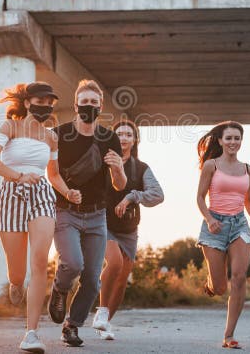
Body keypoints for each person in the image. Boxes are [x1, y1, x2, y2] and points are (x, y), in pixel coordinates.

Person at [0, 81, 77, 353]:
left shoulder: (51, 137)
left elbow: (54, 174)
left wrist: (68, 192)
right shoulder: (9, 127)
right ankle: (14, 282)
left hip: (42, 196)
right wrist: (19, 175)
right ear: (27, 103)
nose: (45, 106)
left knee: (39, 260)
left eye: (50, 102)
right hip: (12, 192)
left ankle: (31, 333)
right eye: (40, 101)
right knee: (17, 271)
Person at [47, 79, 127, 347]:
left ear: (101, 106)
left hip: (96, 215)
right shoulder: (59, 134)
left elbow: (120, 184)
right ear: (76, 104)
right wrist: (68, 192)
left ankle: (72, 325)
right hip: (66, 211)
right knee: (72, 263)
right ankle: (59, 288)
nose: (89, 106)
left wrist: (117, 168)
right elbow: (52, 173)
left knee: (93, 279)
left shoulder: (109, 137)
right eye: (85, 102)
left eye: (94, 103)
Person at [195, 121, 250, 350]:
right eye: (229, 138)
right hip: (214, 225)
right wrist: (210, 219)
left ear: (241, 141)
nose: (233, 142)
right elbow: (199, 198)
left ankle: (229, 335)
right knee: (220, 288)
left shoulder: (248, 169)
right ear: (220, 141)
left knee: (238, 277)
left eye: (237, 138)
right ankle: (210, 283)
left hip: (239, 225)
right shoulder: (211, 166)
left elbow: (248, 200)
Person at [95, 119, 164, 340]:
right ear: (114, 138)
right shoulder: (102, 161)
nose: (123, 138)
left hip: (128, 229)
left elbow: (158, 195)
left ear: (134, 140)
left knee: (123, 278)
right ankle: (101, 311)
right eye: (120, 134)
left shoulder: (141, 168)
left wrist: (133, 196)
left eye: (128, 134)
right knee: (114, 262)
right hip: (102, 223)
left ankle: (104, 324)